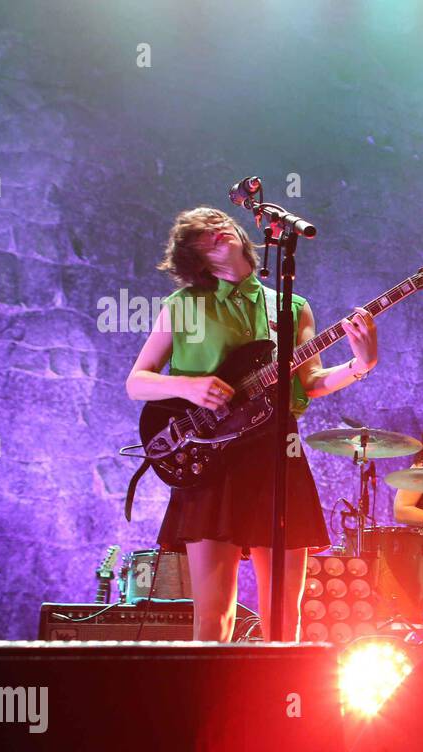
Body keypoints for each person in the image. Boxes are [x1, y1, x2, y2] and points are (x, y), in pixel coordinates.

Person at [126, 207, 378, 641]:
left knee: (284, 617)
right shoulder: (184, 306)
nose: (217, 230)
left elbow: (311, 383)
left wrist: (361, 364)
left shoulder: (291, 306)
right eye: (202, 234)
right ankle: (209, 704)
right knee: (213, 619)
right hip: (210, 458)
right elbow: (137, 382)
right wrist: (189, 388)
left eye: (220, 223)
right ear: (196, 259)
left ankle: (279, 704)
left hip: (277, 455)